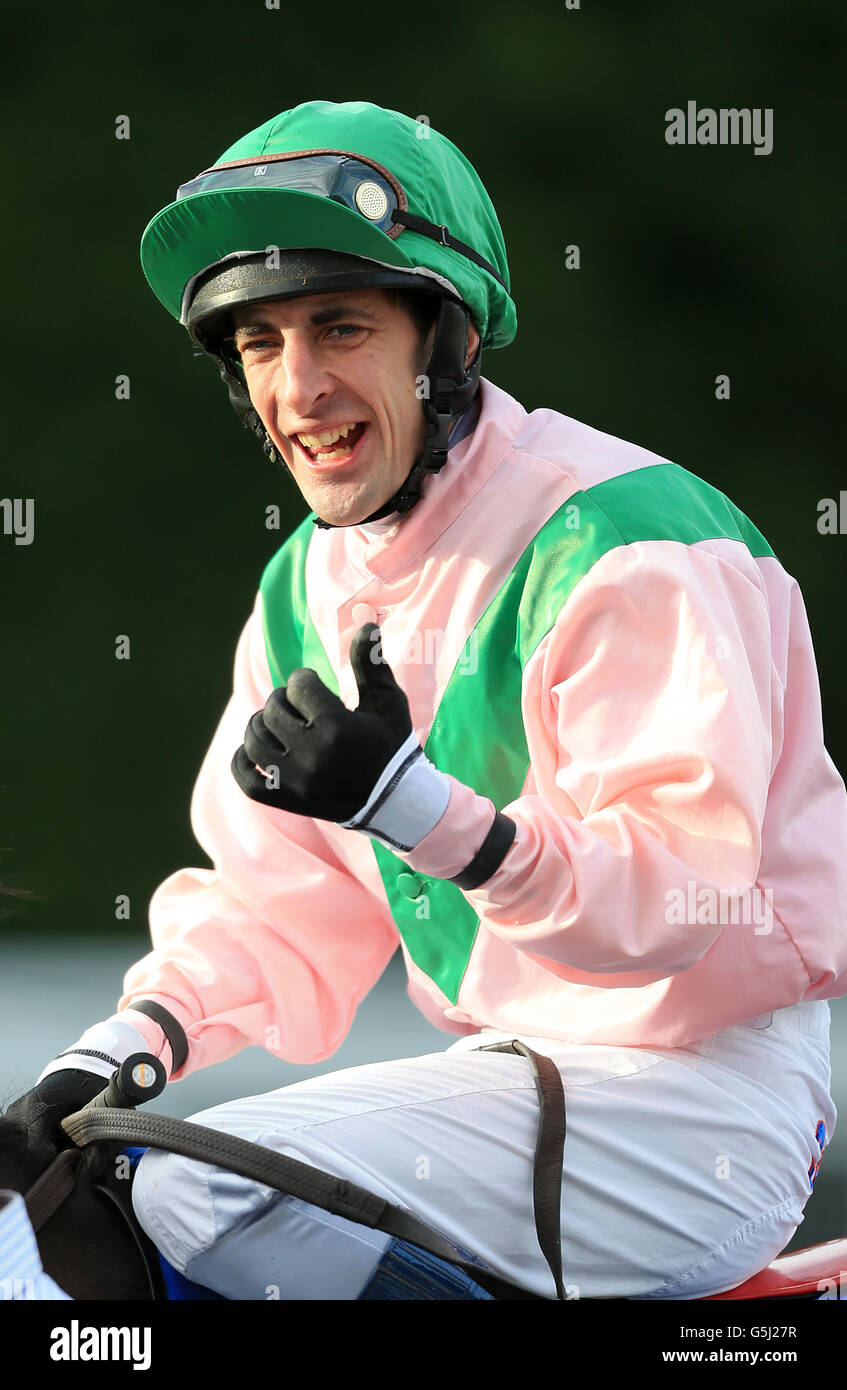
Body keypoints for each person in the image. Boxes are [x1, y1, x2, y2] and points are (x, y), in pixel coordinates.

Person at [8, 99, 847, 1301]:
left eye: (340, 326)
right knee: (52, 1207)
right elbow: (272, 907)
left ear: (446, 343)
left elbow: (678, 900)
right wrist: (119, 1051)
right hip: (507, 1088)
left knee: (204, 1189)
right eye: (259, 344)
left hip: (692, 1104)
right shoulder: (305, 582)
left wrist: (422, 810)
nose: (298, 388)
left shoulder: (626, 539)